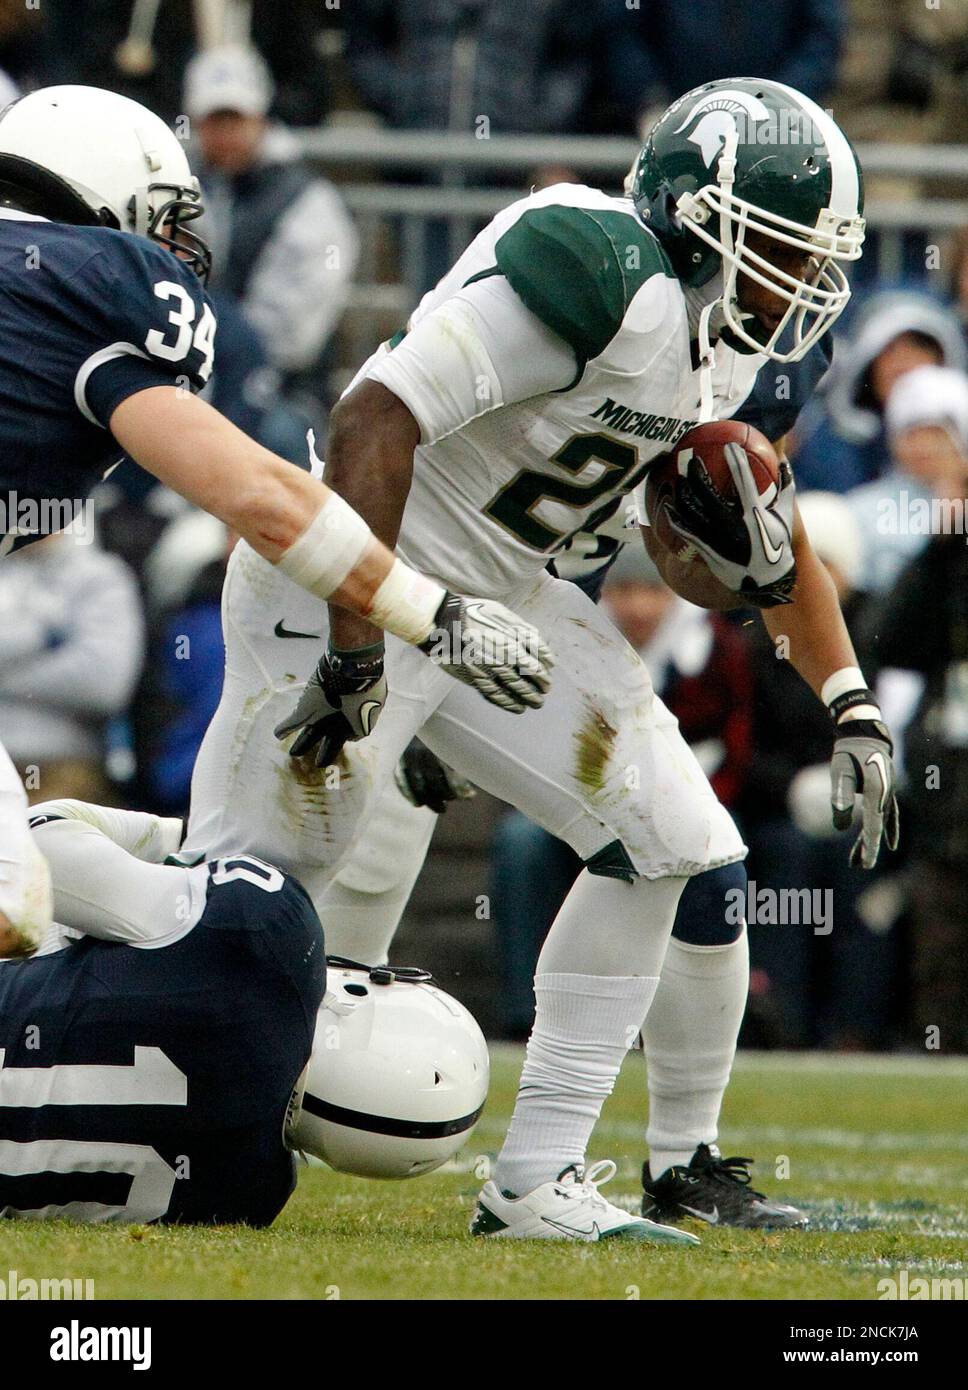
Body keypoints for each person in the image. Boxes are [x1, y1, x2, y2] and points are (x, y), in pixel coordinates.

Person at [183, 78, 897, 1241]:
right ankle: (60, 921)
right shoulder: (595, 265)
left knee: (678, 838)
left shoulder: (730, 359)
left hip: (504, 599)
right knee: (237, 923)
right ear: (690, 212)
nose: (791, 290)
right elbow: (373, 414)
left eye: (811, 263)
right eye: (771, 252)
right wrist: (363, 647)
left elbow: (753, 553)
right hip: (359, 575)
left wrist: (849, 705)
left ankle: (547, 1179)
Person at [0, 83, 553, 956]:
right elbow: (257, 491)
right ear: (100, 188)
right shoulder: (87, 282)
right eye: (161, 216)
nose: (174, 247)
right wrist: (430, 614)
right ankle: (211, 933)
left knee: (27, 896)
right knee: (20, 903)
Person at [0, 798, 488, 1221]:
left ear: (364, 1004)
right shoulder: (249, 1197)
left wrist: (190, 837)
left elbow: (35, 843)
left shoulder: (264, 934)